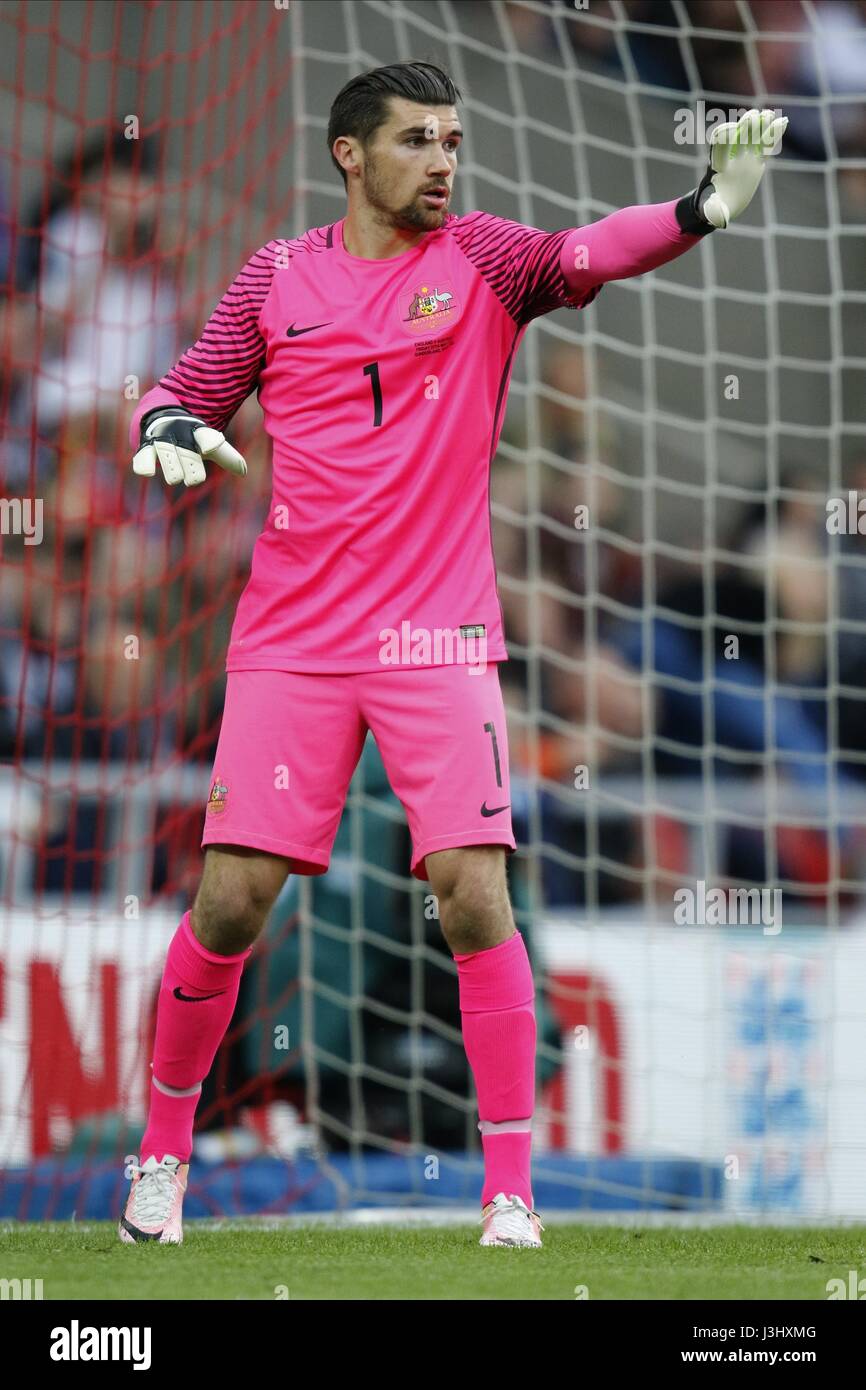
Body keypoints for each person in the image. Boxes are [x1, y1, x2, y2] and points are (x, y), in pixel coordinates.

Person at [120, 61, 787, 1249]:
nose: (443, 160)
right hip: (293, 639)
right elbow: (181, 393)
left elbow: (591, 252)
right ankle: (159, 1161)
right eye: (419, 141)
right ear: (350, 154)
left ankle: (508, 1193)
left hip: (435, 640)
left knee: (474, 894)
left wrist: (697, 210)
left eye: (453, 140)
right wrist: (167, 432)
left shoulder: (483, 257)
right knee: (230, 902)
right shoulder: (278, 276)